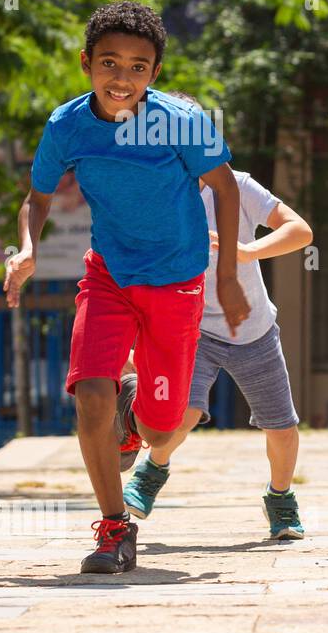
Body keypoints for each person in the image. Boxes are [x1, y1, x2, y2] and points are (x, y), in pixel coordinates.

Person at [3, 2, 250, 574]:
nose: (123, 78)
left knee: (164, 425)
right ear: (87, 62)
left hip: (177, 282)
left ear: (154, 73)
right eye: (109, 63)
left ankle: (137, 408)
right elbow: (38, 198)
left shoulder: (182, 123)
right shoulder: (67, 126)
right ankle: (115, 529)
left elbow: (226, 189)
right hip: (108, 275)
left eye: (138, 67)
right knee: (90, 394)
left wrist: (230, 276)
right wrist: (28, 245)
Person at [121, 91, 313, 540]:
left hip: (253, 328)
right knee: (180, 413)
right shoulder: (153, 199)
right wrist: (134, 339)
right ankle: (152, 470)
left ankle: (281, 498)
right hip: (193, 329)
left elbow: (300, 230)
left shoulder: (239, 186)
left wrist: (249, 251)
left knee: (281, 428)